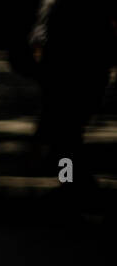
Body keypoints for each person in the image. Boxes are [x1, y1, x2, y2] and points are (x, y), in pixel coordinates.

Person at [28, 0, 117, 185]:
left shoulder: (60, 10)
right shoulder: (79, 11)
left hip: (78, 72)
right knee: (70, 132)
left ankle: (69, 178)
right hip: (83, 72)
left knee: (68, 132)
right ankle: (69, 178)